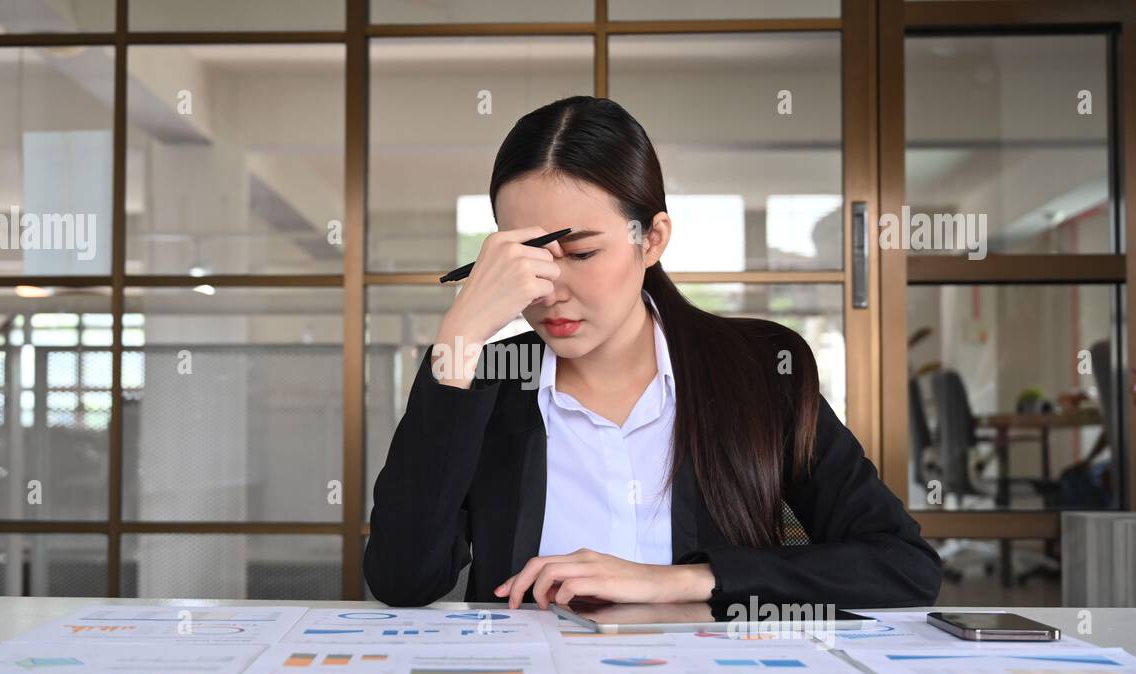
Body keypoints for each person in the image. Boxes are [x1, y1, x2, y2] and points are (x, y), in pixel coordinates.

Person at [364, 96, 941, 611]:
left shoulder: (759, 375)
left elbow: (902, 566)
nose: (549, 290)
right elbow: (401, 580)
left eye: (582, 253)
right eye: (523, 262)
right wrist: (459, 337)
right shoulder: (482, 383)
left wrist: (680, 581)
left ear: (652, 239)